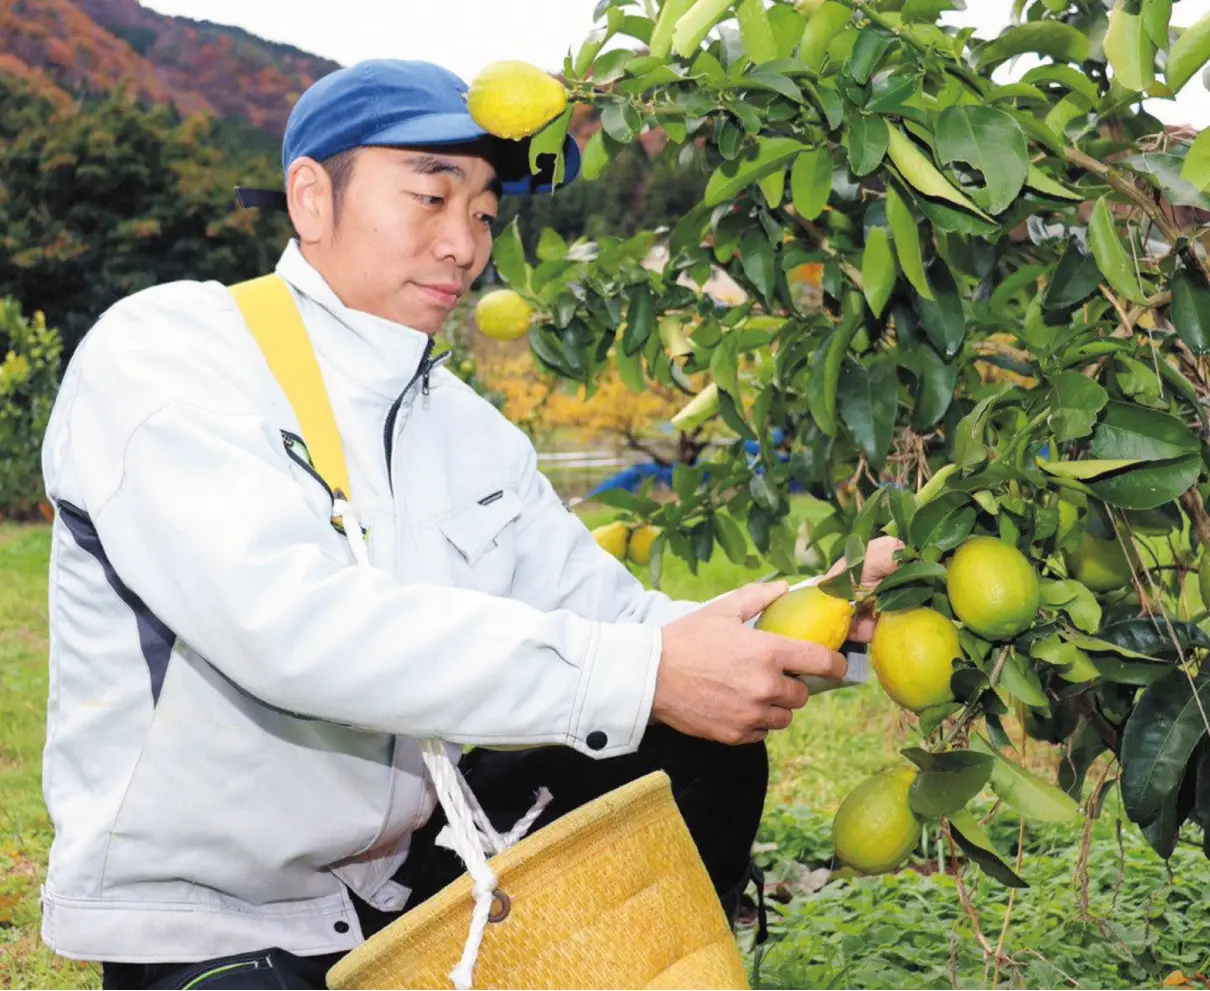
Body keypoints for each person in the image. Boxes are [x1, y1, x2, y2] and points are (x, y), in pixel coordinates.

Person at [38, 58, 903, 990]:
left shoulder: (463, 427)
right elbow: (288, 630)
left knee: (689, 743)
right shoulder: (174, 354)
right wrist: (646, 668)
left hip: (404, 874)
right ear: (311, 196)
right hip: (214, 914)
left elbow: (611, 618)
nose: (466, 245)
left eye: (486, 213)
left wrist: (817, 623)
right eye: (429, 196)